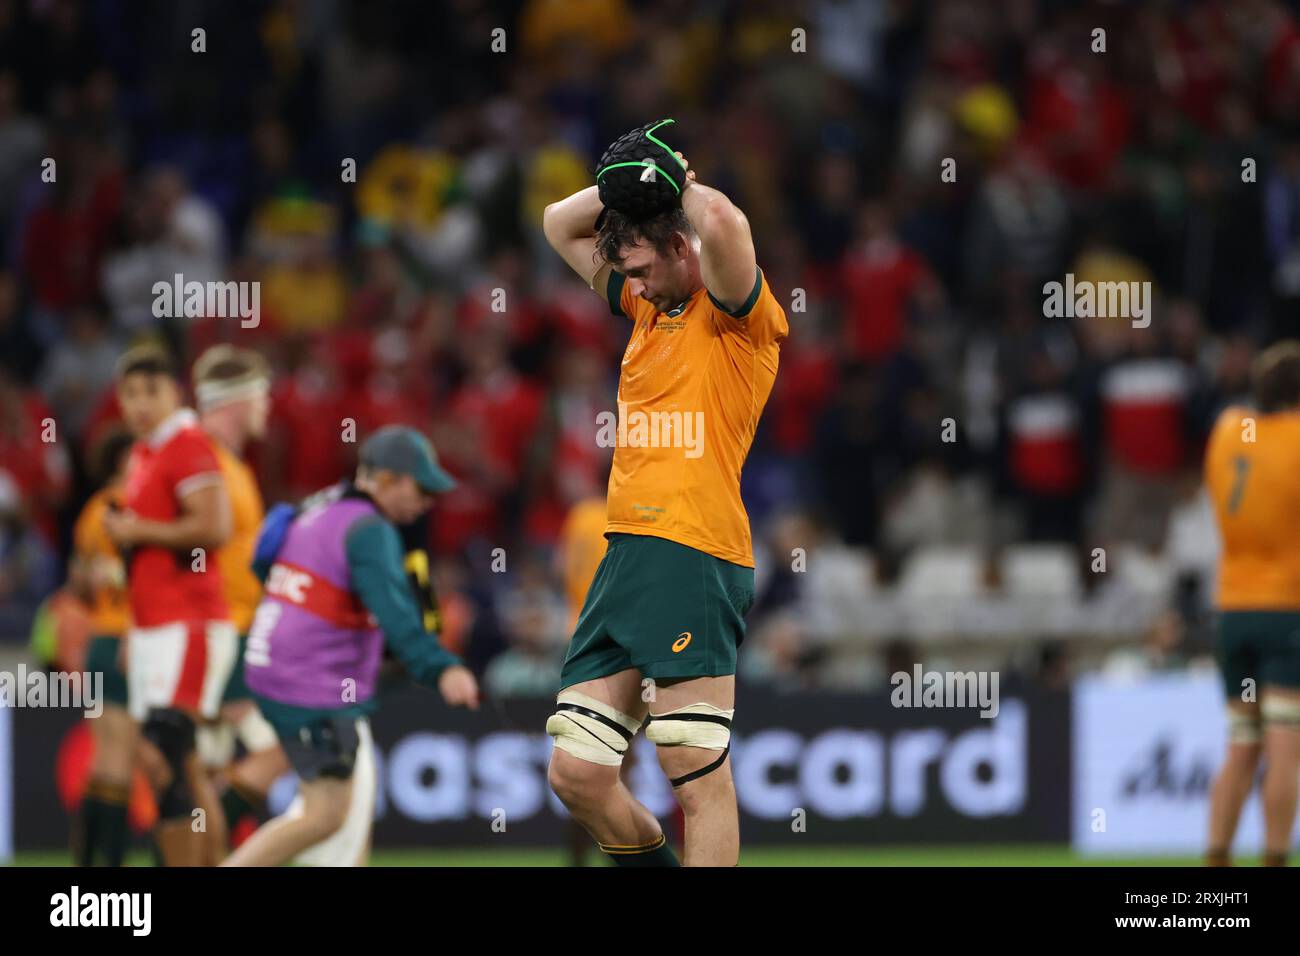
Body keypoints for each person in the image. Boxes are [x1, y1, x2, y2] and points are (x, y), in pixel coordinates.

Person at [540, 129, 787, 866]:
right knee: (578, 773)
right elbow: (559, 221)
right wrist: (628, 185)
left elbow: (726, 225)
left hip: (695, 551)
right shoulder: (651, 309)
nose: (633, 287)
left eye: (643, 269)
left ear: (680, 246)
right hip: (626, 556)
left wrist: (673, 180)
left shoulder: (738, 318)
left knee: (693, 771)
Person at [222, 426, 480, 866]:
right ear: (386, 479)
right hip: (310, 683)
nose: (426, 503)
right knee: (326, 814)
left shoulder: (318, 505)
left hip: (277, 668)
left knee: (334, 809)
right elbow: (398, 620)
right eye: (420, 489)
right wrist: (443, 667)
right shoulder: (370, 529)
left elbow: (264, 562)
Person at [103, 345, 237, 866]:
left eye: (151, 392)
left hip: (191, 623)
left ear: (174, 393)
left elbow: (214, 527)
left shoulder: (186, 444)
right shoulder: (145, 452)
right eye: (130, 393)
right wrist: (134, 632)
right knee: (181, 764)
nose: (139, 404)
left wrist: (138, 529)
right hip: (156, 626)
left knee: (163, 757)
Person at [191, 344, 289, 861]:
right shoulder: (201, 461)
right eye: (262, 396)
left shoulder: (228, 464)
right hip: (218, 632)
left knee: (206, 763)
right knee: (293, 744)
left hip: (233, 629)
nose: (267, 407)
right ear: (238, 400)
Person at [1204, 341, 1300, 866]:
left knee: (1242, 746)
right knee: (1286, 746)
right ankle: (1276, 858)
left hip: (1234, 611)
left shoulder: (1227, 434)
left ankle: (1215, 864)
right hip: (1287, 609)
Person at [72, 427, 136, 866]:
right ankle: (111, 866)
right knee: (122, 762)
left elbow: (78, 580)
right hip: (130, 640)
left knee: (102, 762)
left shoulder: (92, 511)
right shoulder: (138, 506)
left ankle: (84, 863)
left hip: (98, 640)